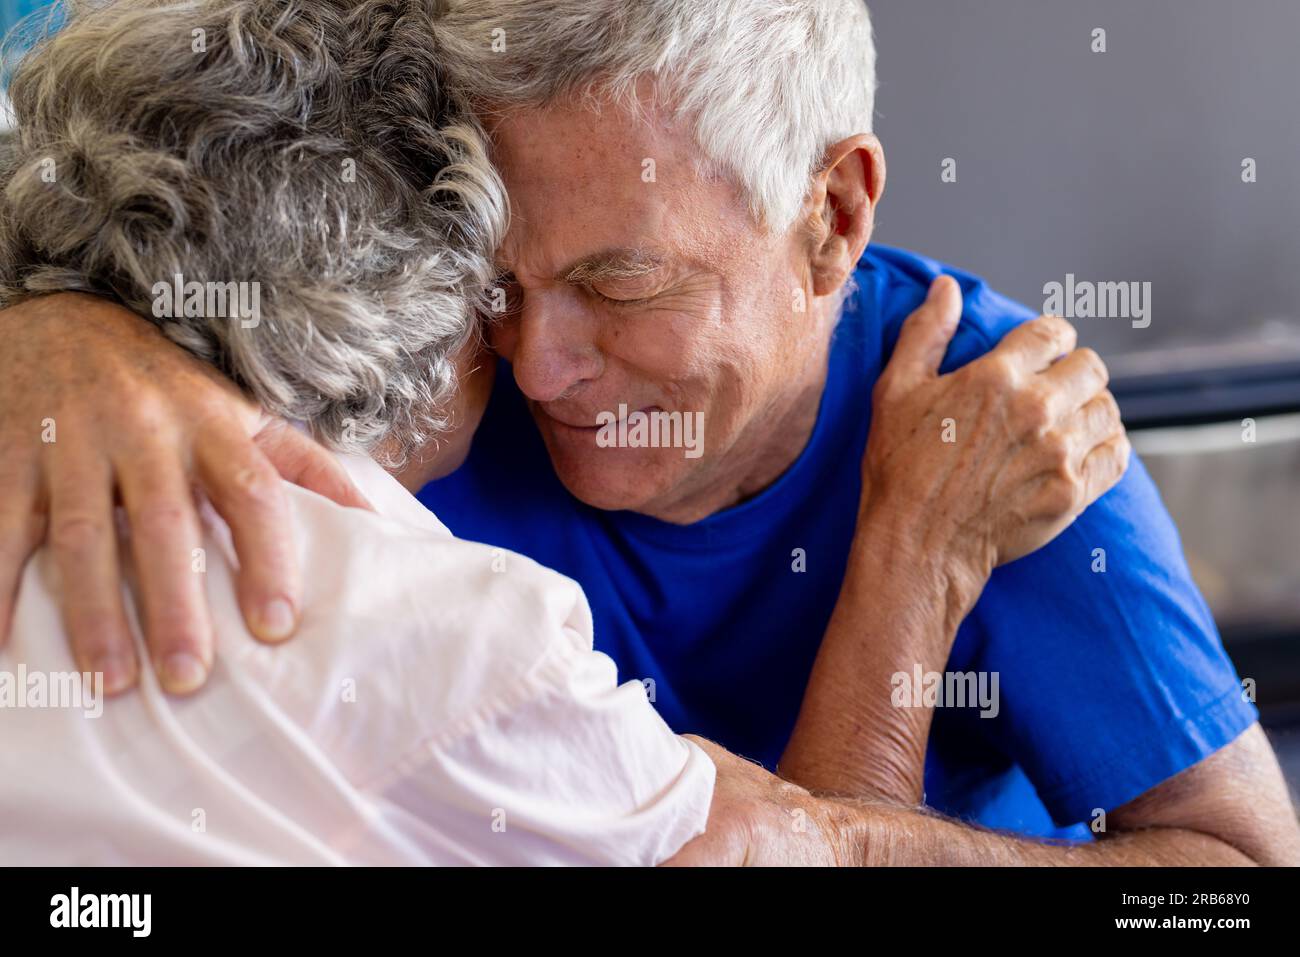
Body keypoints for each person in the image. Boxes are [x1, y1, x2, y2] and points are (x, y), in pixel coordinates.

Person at [3, 0, 1293, 863]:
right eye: (495, 281)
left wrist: (861, 813)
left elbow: (1232, 878)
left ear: (830, 217)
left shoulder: (987, 428)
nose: (540, 363)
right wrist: (57, 332)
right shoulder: (404, 368)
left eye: (625, 287)